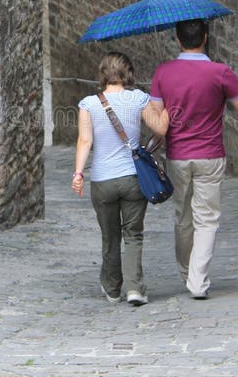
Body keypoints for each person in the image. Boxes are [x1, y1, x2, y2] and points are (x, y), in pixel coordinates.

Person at [149, 19, 238, 299]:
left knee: (183, 218)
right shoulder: (221, 72)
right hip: (210, 154)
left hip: (178, 156)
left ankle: (188, 273)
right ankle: (198, 281)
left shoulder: (163, 72)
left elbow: (156, 119)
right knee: (207, 219)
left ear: (177, 39)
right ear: (205, 38)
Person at [72, 51, 169, 307]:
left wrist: (78, 173)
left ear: (103, 73)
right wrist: (169, 103)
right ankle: (135, 288)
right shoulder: (138, 99)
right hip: (133, 179)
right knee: (133, 234)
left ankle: (113, 288)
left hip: (103, 180)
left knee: (110, 235)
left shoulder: (88, 104)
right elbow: (160, 128)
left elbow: (84, 141)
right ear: (129, 73)